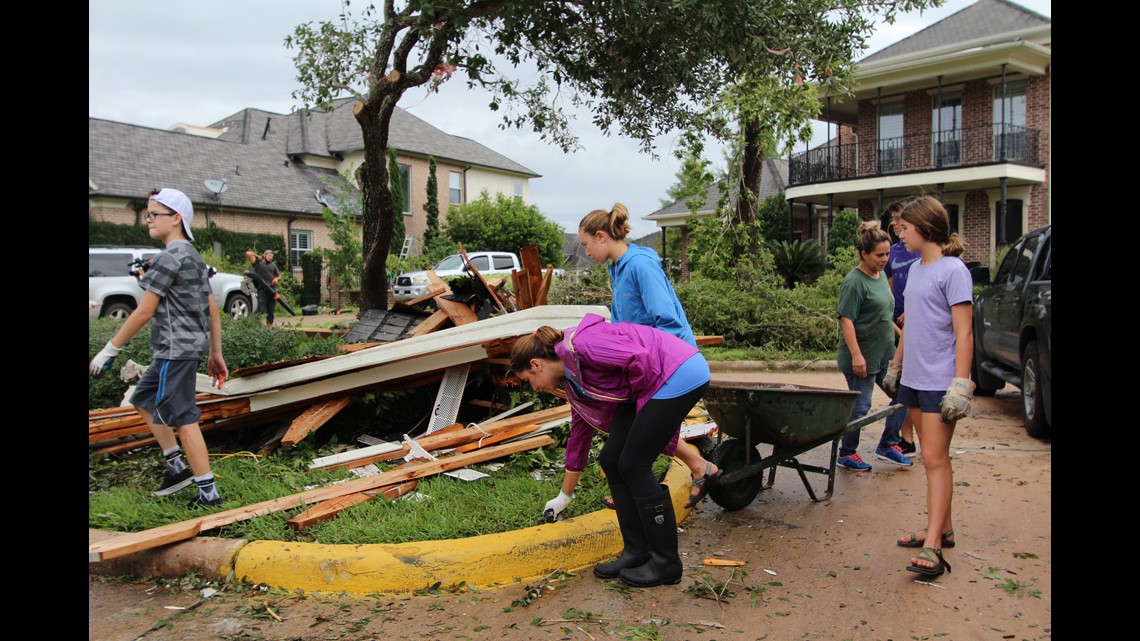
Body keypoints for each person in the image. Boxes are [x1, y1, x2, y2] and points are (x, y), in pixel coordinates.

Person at [511, 313, 710, 587]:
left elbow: (639, 357)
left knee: (633, 463)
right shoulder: (572, 377)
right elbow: (579, 434)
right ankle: (636, 551)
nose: (533, 387)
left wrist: (643, 416)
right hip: (651, 381)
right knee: (612, 458)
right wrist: (564, 495)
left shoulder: (582, 345)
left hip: (677, 371)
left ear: (536, 364)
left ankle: (666, 563)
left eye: (528, 380)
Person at [89, 187, 229, 508]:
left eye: (154, 214)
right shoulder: (193, 257)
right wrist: (215, 353)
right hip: (185, 349)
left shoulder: (168, 258)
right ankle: (176, 466)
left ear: (176, 218)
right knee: (143, 399)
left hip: (172, 349)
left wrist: (110, 349)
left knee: (182, 417)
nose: (148, 220)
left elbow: (143, 311)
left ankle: (209, 495)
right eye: (147, 214)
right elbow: (213, 309)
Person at [577, 203, 720, 510]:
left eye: (587, 244)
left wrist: (658, 367)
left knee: (640, 437)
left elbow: (666, 319)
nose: (587, 252)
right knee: (635, 431)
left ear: (601, 236)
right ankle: (695, 467)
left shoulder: (640, 265)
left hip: (668, 364)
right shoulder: (618, 269)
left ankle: (687, 471)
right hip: (647, 364)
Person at [882, 195, 974, 577]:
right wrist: (895, 365)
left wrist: (961, 382)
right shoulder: (917, 269)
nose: (899, 233)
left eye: (904, 227)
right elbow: (913, 324)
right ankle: (944, 528)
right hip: (916, 380)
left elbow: (964, 331)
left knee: (936, 461)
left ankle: (934, 546)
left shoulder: (953, 270)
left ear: (925, 228)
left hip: (940, 382)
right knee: (931, 461)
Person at [835, 220, 913, 471]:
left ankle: (888, 444)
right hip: (862, 358)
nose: (885, 259)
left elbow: (883, 314)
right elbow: (846, 320)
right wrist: (857, 356)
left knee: (903, 395)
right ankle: (846, 453)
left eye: (887, 254)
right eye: (879, 255)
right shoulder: (854, 282)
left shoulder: (880, 277)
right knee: (861, 407)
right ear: (864, 254)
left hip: (884, 355)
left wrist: (902, 335)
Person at [883, 200, 922, 455]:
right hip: (897, 323)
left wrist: (913, 310)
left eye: (899, 218)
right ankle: (900, 437)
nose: (895, 223)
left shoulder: (920, 252)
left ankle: (905, 436)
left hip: (917, 322)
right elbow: (885, 280)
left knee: (912, 383)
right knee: (903, 383)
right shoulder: (894, 251)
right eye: (894, 218)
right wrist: (892, 307)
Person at [245, 249, 282, 326]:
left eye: (272, 256)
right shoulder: (258, 263)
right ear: (265, 255)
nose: (271, 258)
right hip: (262, 290)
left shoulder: (273, 265)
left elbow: (279, 276)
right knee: (259, 308)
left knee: (271, 310)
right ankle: (253, 325)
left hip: (272, 290)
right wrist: (258, 256)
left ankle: (269, 327)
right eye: (269, 255)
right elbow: (248, 253)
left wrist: (276, 279)